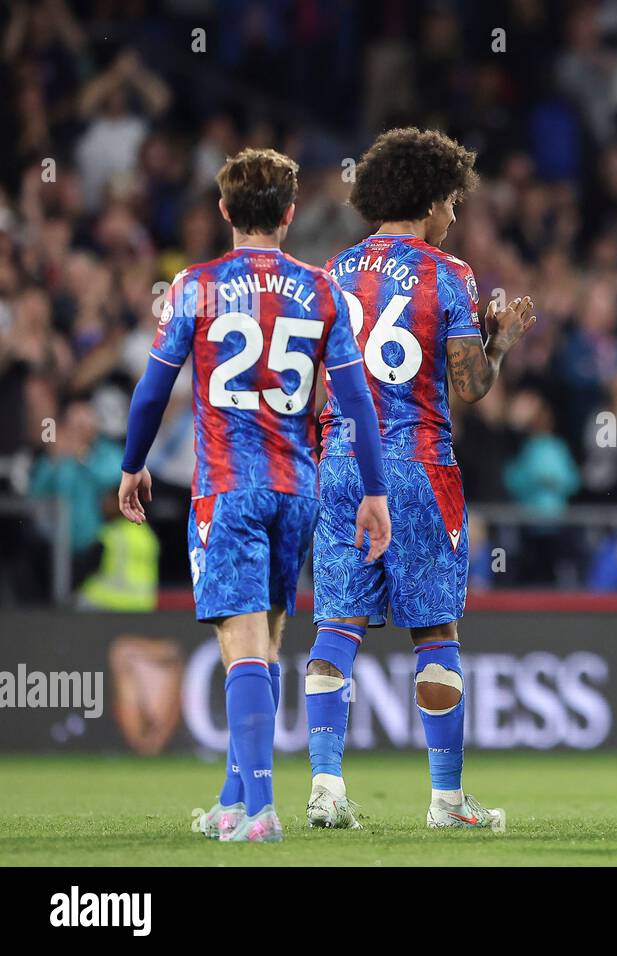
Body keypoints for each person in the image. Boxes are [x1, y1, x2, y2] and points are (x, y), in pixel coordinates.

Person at [118, 147, 391, 843]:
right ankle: (234, 801)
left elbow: (154, 388)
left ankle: (262, 812)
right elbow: (356, 398)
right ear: (291, 213)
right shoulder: (322, 288)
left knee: (241, 648)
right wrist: (375, 492)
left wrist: (133, 463)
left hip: (229, 488)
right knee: (265, 648)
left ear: (223, 212)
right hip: (297, 488)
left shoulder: (196, 286)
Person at [308, 128, 535, 832]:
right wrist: (499, 341)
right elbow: (471, 387)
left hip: (341, 464)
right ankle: (445, 801)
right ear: (433, 199)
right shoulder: (449, 273)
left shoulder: (334, 272)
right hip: (417, 469)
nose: (457, 217)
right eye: (454, 203)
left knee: (335, 627)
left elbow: (317, 383)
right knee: (435, 634)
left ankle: (325, 788)